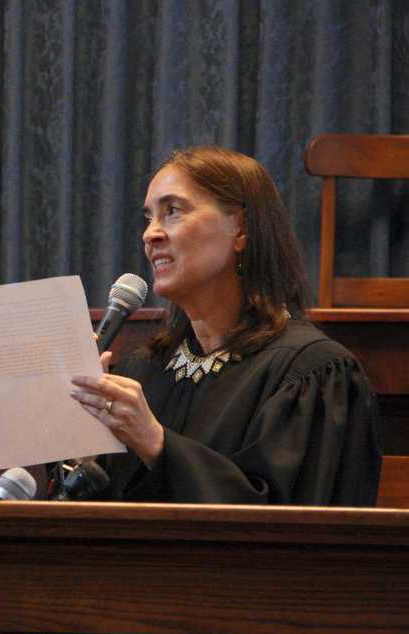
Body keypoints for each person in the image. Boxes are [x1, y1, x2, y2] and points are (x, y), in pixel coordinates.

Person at [69, 146, 381, 505]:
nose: (150, 234)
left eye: (173, 211)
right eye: (148, 218)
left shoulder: (314, 374)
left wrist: (157, 443)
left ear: (241, 229)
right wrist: (85, 450)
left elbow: (291, 530)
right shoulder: (140, 372)